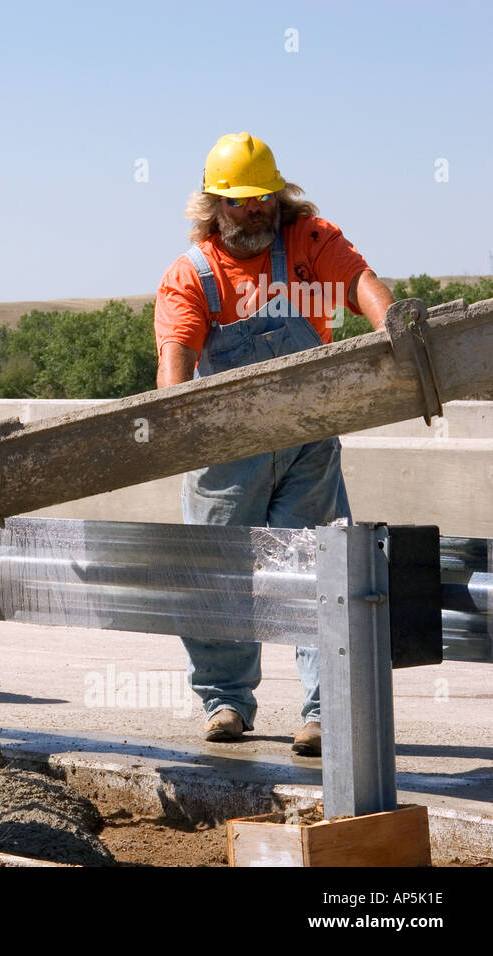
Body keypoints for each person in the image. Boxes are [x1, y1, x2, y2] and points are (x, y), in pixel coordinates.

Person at [154, 133, 394, 756]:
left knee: (315, 570)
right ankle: (226, 700)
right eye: (240, 203)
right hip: (224, 455)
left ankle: (323, 710)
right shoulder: (193, 274)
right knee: (219, 575)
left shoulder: (311, 241)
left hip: (306, 442)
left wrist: (393, 327)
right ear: (213, 206)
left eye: (264, 198)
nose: (255, 210)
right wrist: (173, 419)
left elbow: (361, 283)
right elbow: (175, 358)